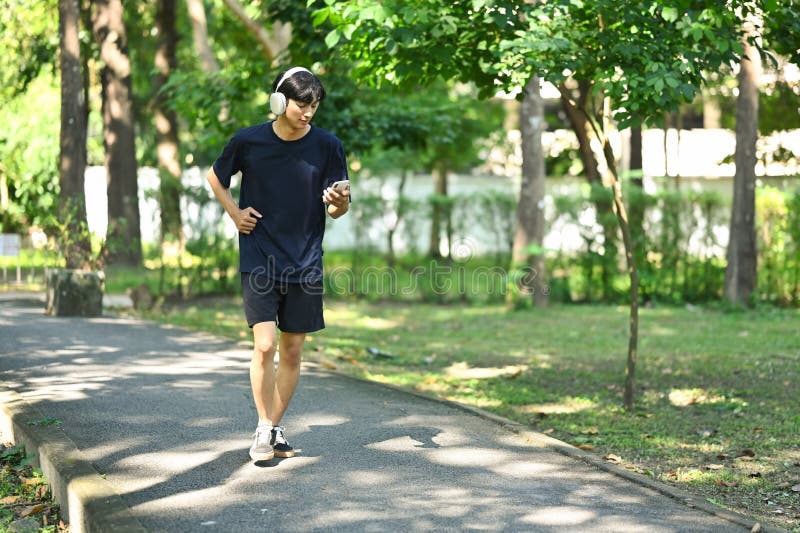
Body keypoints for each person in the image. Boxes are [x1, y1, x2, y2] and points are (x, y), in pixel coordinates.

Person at [207, 66, 350, 462]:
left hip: (305, 261)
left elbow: (340, 205)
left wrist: (339, 202)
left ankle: (272, 429)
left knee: (291, 351)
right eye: (302, 104)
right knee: (265, 344)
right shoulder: (248, 141)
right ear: (279, 101)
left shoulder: (328, 145)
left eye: (314, 105)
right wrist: (235, 213)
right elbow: (215, 177)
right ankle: (263, 428)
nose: (308, 112)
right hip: (259, 256)